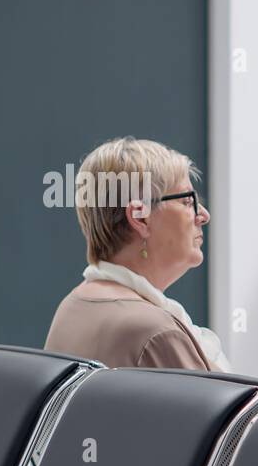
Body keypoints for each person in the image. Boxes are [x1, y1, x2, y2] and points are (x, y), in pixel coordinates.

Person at [45, 137, 230, 371]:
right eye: (186, 200)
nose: (203, 215)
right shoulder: (156, 333)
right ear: (141, 217)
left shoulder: (73, 305)